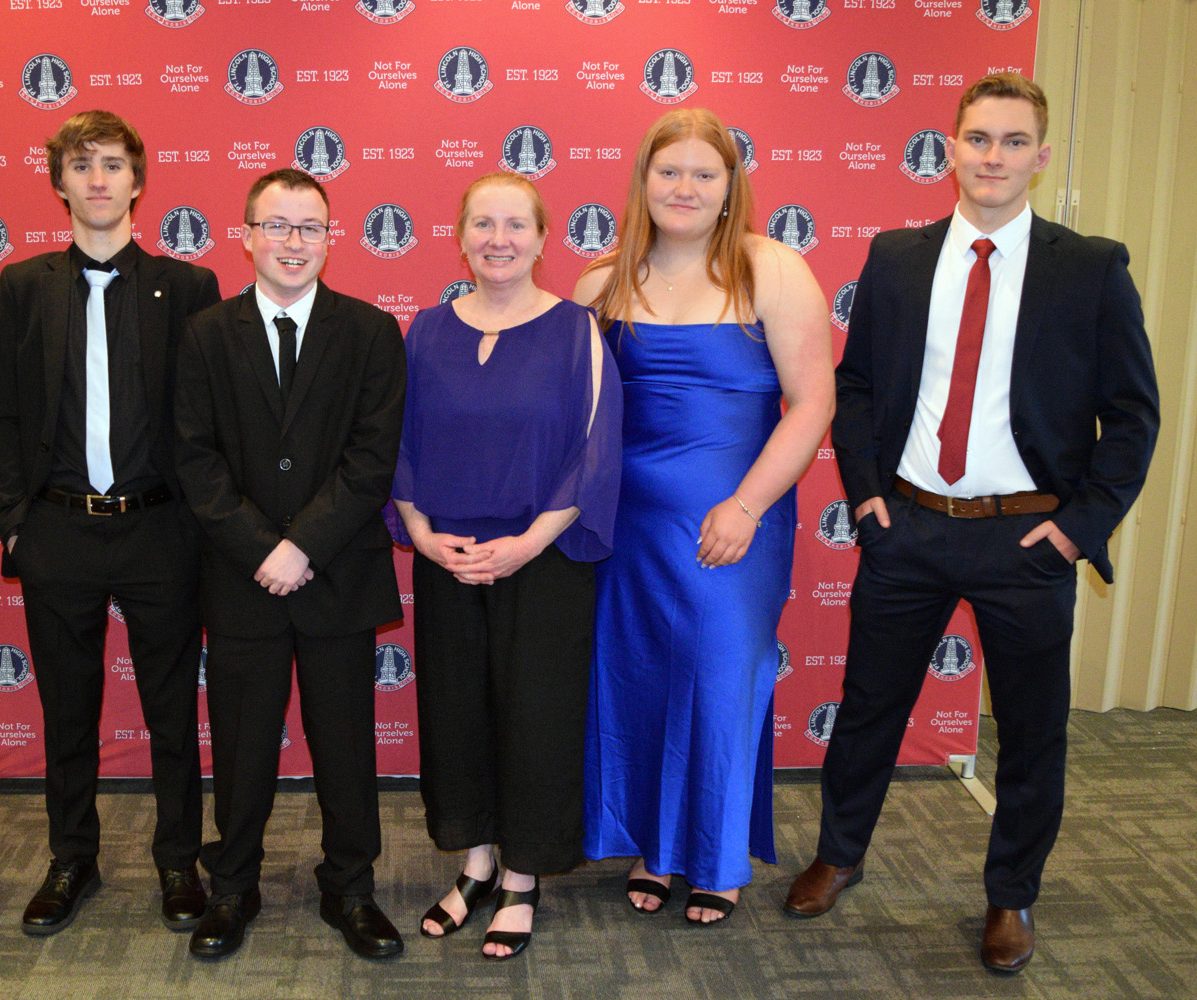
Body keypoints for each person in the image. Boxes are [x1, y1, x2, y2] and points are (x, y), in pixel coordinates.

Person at [785, 74, 1159, 974]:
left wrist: (1077, 529)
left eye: (1014, 140)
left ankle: (1010, 897)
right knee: (871, 707)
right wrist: (870, 495)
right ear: (951, 146)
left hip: (1027, 539)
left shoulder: (1090, 266)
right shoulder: (897, 257)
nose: (994, 156)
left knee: (1032, 733)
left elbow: (1133, 416)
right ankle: (840, 855)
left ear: (1041, 154)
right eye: (979, 138)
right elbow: (862, 387)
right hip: (908, 527)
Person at [576, 110, 834, 924]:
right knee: (641, 679)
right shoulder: (601, 282)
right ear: (642, 182)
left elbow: (813, 402)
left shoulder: (773, 270)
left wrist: (747, 504)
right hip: (628, 524)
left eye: (704, 174)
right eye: (668, 172)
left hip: (735, 518)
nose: (683, 188)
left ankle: (716, 858)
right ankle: (657, 844)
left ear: (731, 189)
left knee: (721, 677)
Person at [0, 110, 219, 936]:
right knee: (67, 710)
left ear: (138, 180)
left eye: (112, 165)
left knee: (169, 713)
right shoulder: (22, 285)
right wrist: (14, 522)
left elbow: (203, 424)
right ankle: (71, 857)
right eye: (81, 166)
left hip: (160, 532)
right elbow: (4, 418)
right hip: (58, 532)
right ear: (58, 183)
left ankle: (177, 859)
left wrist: (197, 526)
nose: (97, 180)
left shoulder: (188, 288)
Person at [174, 168, 406, 961]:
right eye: (277, 225)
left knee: (346, 743)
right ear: (246, 236)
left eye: (309, 227)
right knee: (240, 747)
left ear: (331, 239)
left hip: (335, 572)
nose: (292, 242)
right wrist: (261, 548)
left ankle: (352, 888)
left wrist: (302, 544)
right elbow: (196, 461)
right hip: (241, 579)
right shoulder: (205, 334)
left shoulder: (372, 333)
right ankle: (232, 886)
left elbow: (373, 460)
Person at [395, 172, 622, 960]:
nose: (499, 239)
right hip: (448, 556)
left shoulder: (576, 333)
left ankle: (523, 877)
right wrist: (422, 534)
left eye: (515, 224)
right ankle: (477, 863)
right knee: (457, 717)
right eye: (483, 224)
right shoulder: (424, 332)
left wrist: (527, 543)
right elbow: (400, 445)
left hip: (545, 558)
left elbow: (596, 452)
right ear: (459, 236)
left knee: (536, 720)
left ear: (542, 237)